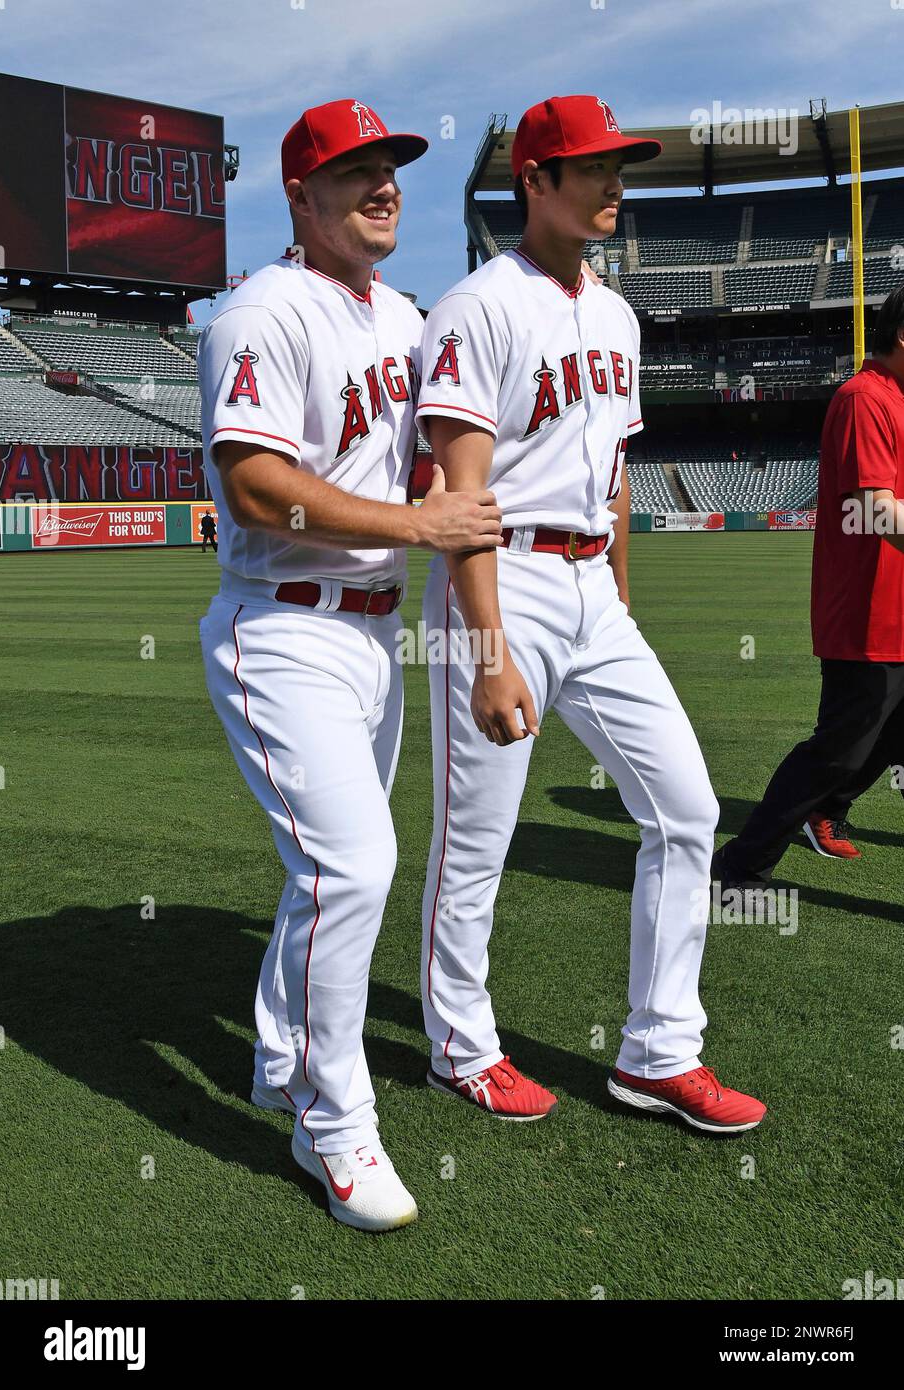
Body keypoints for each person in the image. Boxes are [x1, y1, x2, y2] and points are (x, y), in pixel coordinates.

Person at [415, 95, 766, 1134]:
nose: (615, 185)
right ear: (533, 181)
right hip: (505, 580)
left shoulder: (615, 313)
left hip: (590, 588)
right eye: (591, 168)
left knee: (686, 809)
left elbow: (614, 465)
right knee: (476, 839)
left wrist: (615, 593)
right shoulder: (477, 305)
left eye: (620, 166)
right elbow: (462, 492)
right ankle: (459, 1046)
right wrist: (486, 653)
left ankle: (658, 1052)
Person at [197, 99, 503, 1231]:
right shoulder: (260, 312)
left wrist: (424, 501)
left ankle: (281, 1060)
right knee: (354, 869)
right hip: (281, 625)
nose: (382, 186)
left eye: (390, 168)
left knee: (328, 873)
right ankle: (333, 1125)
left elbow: (417, 456)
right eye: (354, 171)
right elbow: (256, 484)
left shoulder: (402, 317)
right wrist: (419, 524)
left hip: (370, 631)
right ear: (299, 196)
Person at [714, 285, 904, 888]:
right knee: (840, 747)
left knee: (886, 738)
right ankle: (739, 865)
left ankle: (827, 810)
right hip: (866, 615)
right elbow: (877, 510)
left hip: (897, 609)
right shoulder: (863, 398)